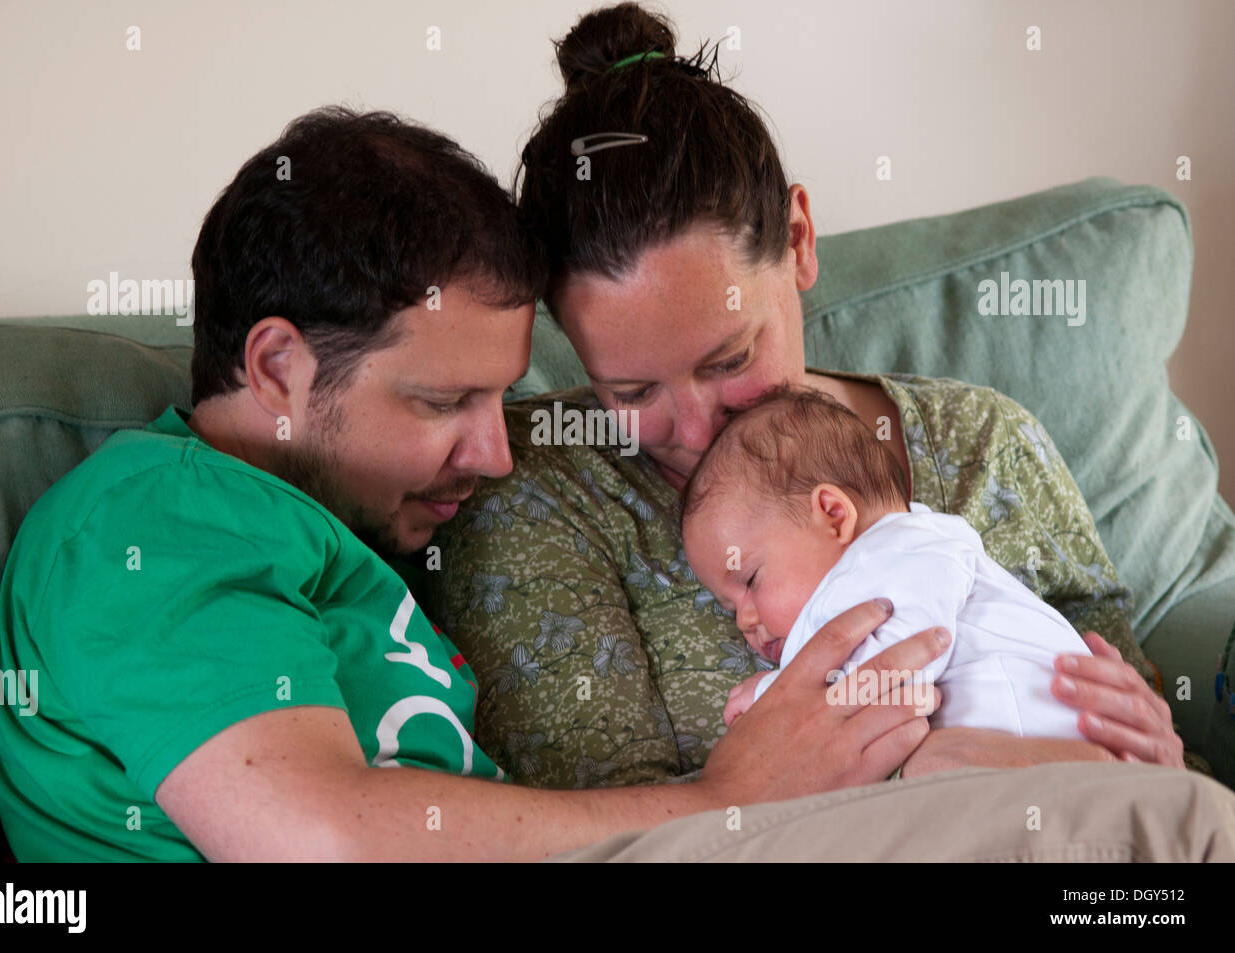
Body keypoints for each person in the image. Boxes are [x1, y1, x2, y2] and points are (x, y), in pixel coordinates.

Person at [0, 38, 1232, 864]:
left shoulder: (321, 543)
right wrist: (719, 797)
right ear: (276, 369)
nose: (500, 450)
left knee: (1160, 836)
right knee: (1169, 845)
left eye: (506, 394)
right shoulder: (154, 519)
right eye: (445, 403)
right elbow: (334, 839)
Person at [426, 2, 1200, 794]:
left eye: (730, 357)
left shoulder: (984, 444)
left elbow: (1143, 739)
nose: (694, 430)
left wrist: (1159, 757)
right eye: (632, 389)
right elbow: (612, 835)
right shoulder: (537, 500)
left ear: (798, 240)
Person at [679, 386, 1093, 739]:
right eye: (729, 608)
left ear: (834, 516)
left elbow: (908, 657)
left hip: (1048, 733)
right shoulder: (870, 570)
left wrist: (778, 696)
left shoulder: (901, 550)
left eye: (750, 581)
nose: (744, 621)